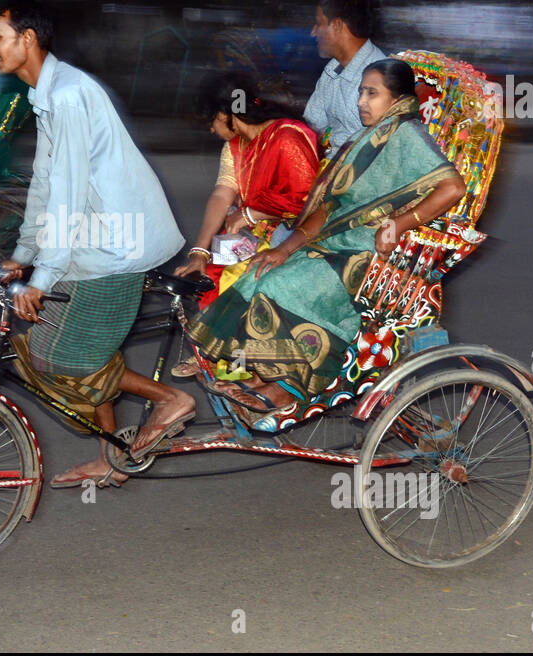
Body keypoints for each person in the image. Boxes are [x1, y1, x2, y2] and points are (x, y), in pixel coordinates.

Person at [0, 0, 194, 488]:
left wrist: (44, 274)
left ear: (27, 38)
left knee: (69, 358)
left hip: (116, 249)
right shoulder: (48, 95)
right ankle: (114, 454)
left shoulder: (69, 95)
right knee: (49, 349)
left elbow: (70, 194)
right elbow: (45, 184)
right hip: (91, 242)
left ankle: (172, 401)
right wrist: (24, 255)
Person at [188, 58, 467, 425]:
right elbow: (328, 207)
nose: (362, 103)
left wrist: (400, 223)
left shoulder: (406, 135)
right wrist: (285, 248)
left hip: (368, 254)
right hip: (335, 240)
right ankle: (261, 376)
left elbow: (453, 187)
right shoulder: (365, 140)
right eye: (361, 93)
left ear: (397, 98)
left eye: (372, 94)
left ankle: (288, 388)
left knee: (283, 286)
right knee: (258, 273)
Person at [174, 69, 320, 316]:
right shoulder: (235, 145)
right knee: (207, 276)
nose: (212, 130)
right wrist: (199, 251)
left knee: (234, 292)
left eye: (211, 122)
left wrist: (252, 214)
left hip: (294, 237)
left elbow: (309, 201)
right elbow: (222, 194)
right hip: (251, 239)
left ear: (224, 114)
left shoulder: (286, 136)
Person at [303, 0, 387, 159]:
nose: (313, 32)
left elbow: (379, 155)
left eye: (319, 24)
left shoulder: (379, 77)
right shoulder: (332, 70)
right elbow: (310, 127)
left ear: (337, 25)